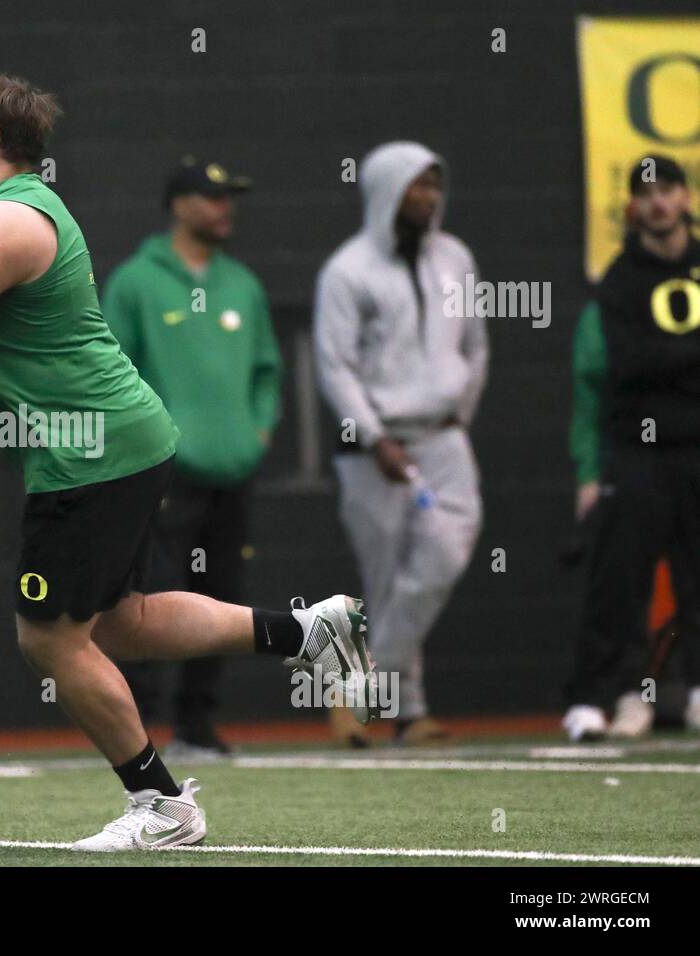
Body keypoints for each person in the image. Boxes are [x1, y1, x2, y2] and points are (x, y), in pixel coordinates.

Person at [0, 67, 373, 851]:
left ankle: (162, 805)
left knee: (47, 638)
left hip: (92, 449)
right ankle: (307, 632)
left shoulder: (10, 219)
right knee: (121, 623)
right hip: (113, 444)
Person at [104, 157, 282, 759]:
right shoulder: (135, 282)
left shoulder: (244, 285)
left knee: (224, 596)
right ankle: (138, 732)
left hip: (235, 475)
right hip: (164, 474)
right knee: (152, 599)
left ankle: (198, 728)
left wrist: (256, 432)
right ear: (177, 203)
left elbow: (267, 373)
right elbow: (112, 369)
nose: (224, 207)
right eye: (212, 196)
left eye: (230, 196)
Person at [313, 141, 488, 747]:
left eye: (435, 185)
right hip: (376, 451)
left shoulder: (456, 258)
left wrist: (455, 413)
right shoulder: (348, 269)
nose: (428, 197)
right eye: (416, 186)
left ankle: (352, 692)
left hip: (442, 441)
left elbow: (475, 347)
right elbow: (335, 367)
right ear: (387, 190)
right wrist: (376, 436)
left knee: (442, 557)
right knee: (387, 579)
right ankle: (409, 713)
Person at [562, 155, 700, 742]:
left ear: (686, 197)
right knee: (618, 585)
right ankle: (605, 698)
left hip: (696, 447)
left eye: (668, 189)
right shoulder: (617, 285)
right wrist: (590, 472)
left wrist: (661, 363)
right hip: (635, 452)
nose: (659, 202)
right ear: (632, 207)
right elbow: (603, 377)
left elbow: (648, 361)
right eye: (647, 192)